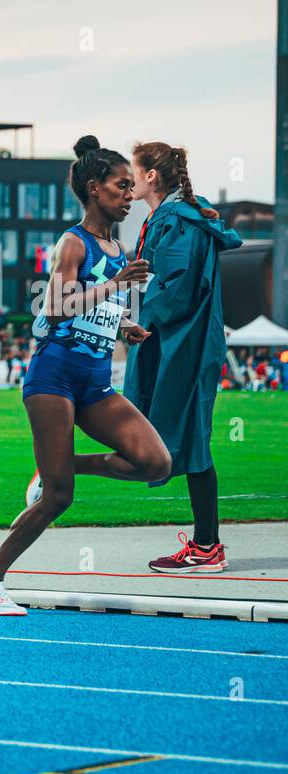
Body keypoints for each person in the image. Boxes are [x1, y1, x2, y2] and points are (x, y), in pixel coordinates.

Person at [0, 136, 168, 615]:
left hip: (96, 382)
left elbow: (97, 305)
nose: (129, 195)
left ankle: (60, 462)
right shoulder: (73, 242)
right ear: (95, 189)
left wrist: (124, 324)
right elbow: (56, 306)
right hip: (54, 377)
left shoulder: (117, 249)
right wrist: (116, 288)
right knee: (58, 498)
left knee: (155, 463)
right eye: (122, 186)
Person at [124, 141, 242, 573]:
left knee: (185, 436)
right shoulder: (180, 215)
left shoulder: (176, 219)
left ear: (151, 176)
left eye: (133, 172)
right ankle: (206, 544)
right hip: (184, 340)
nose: (129, 180)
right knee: (186, 436)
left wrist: (140, 321)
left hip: (183, 343)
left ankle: (207, 547)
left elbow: (175, 284)